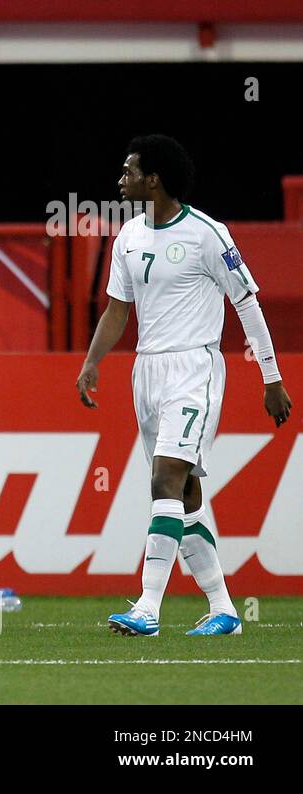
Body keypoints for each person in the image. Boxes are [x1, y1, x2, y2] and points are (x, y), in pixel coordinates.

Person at [76, 134, 292, 637]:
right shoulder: (126, 236)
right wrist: (92, 362)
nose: (121, 180)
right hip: (146, 372)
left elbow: (247, 303)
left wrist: (271, 376)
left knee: (164, 480)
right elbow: (117, 308)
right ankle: (224, 611)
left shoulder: (207, 234)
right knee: (186, 493)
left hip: (194, 369)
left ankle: (148, 608)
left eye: (129, 172)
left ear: (154, 179)